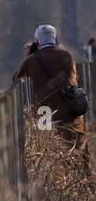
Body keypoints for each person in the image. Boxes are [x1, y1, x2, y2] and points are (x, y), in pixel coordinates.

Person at [14, 24, 87, 155]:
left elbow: (16, 79)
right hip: (70, 114)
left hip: (45, 115)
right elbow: (74, 80)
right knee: (77, 154)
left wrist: (30, 55)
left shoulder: (32, 60)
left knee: (50, 153)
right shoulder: (67, 56)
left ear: (37, 41)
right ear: (55, 39)